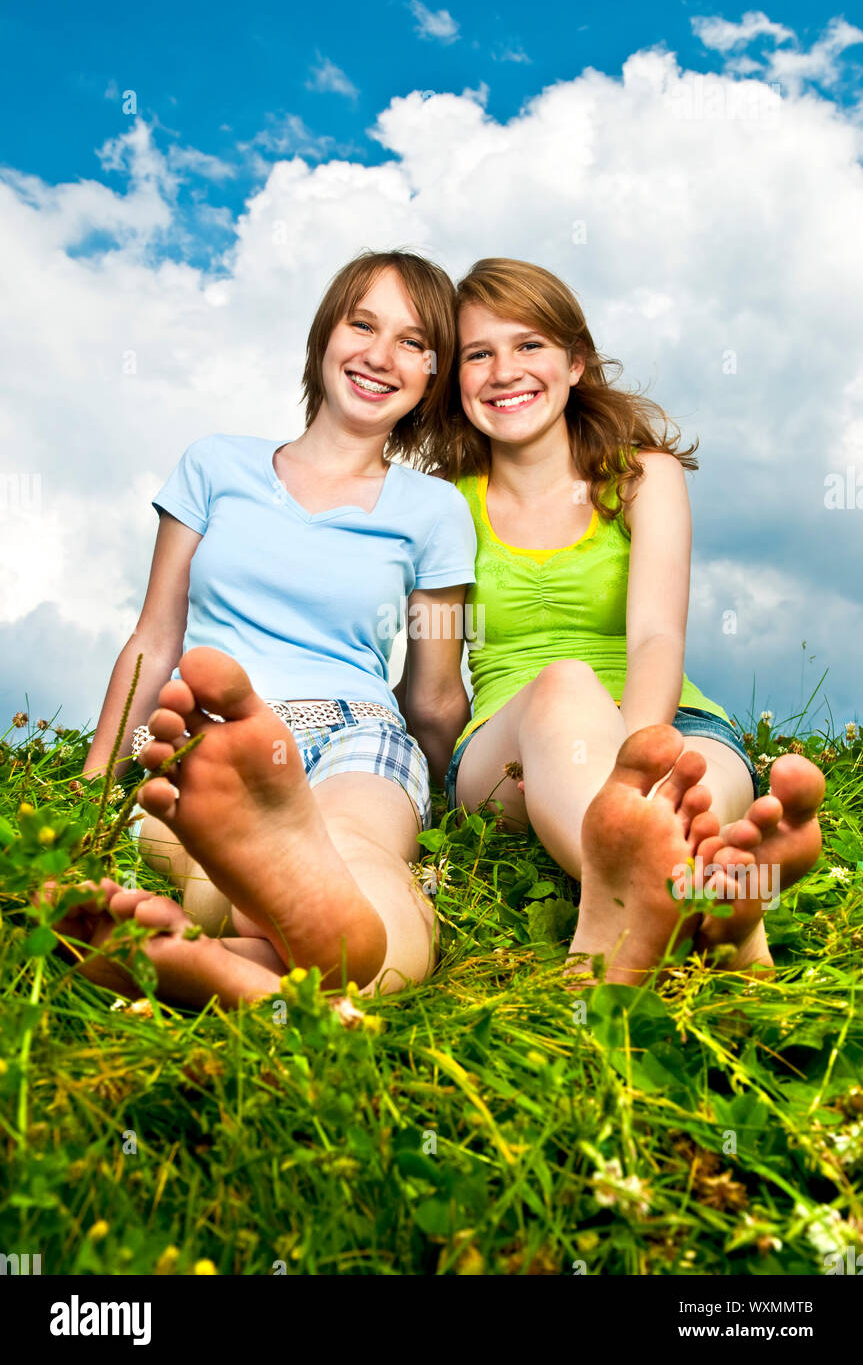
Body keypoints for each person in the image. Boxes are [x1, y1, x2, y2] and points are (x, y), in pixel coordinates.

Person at [61, 251, 476, 1007]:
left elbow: (435, 695)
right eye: (363, 324)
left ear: (431, 379)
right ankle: (284, 952)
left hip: (356, 731)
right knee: (248, 851)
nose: (380, 356)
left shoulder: (437, 511)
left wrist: (434, 800)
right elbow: (157, 634)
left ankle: (218, 956)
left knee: (358, 850)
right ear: (325, 336)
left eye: (414, 344)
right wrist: (94, 787)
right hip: (211, 736)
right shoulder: (215, 466)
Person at [436, 258, 824, 985]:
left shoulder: (645, 477)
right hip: (512, 751)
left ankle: (687, 894)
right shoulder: (438, 505)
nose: (502, 369)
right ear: (454, 380)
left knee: (700, 786)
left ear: (575, 362)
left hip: (671, 724)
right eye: (477, 354)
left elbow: (654, 636)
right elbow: (432, 687)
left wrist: (638, 767)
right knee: (563, 684)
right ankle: (673, 889)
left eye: (528, 346)